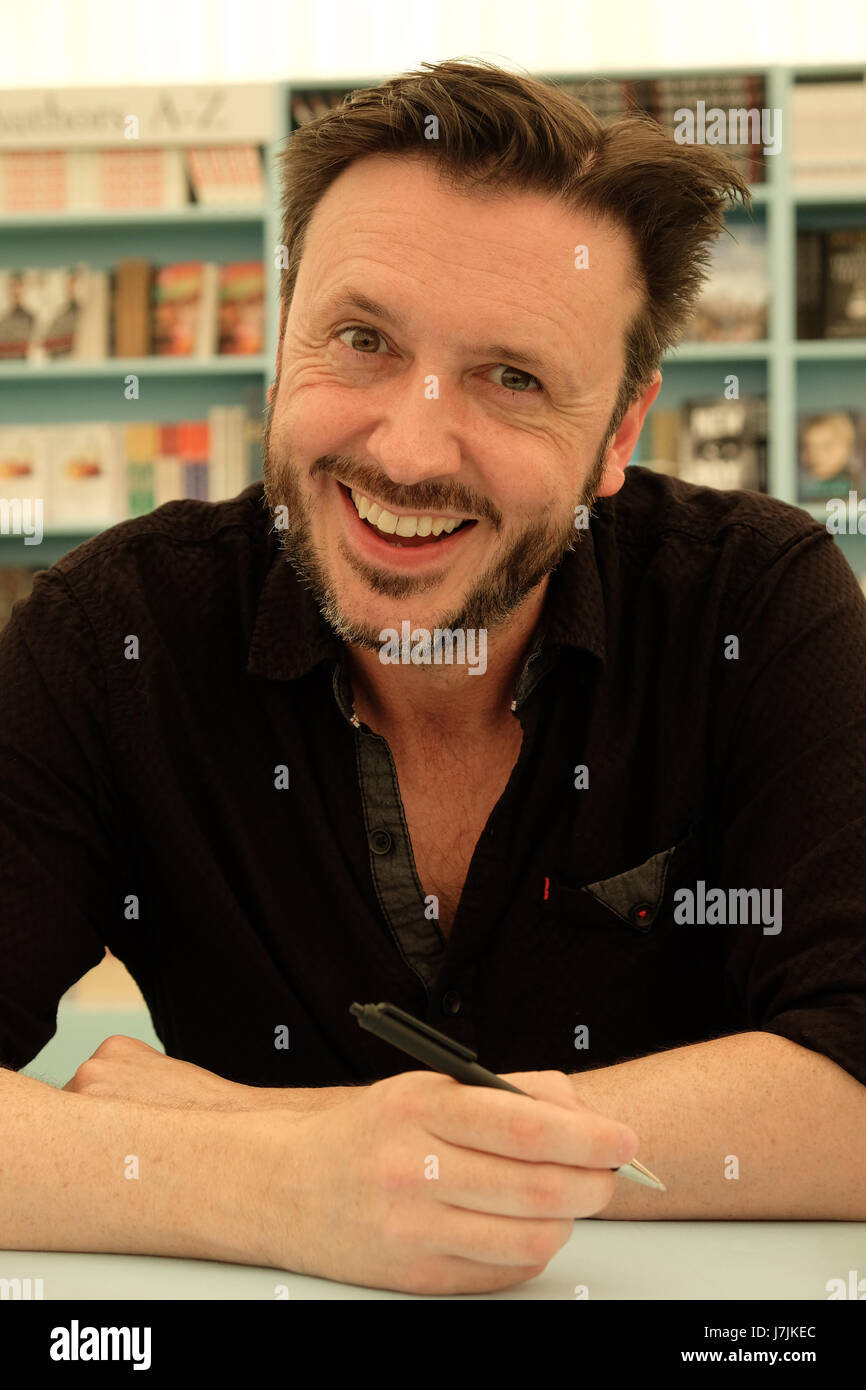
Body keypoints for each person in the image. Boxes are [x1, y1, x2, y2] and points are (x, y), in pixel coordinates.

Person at [1, 59, 865, 1297]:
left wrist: (282, 1130)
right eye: (360, 339)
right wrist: (270, 1182)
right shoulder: (108, 635)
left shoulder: (754, 603)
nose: (406, 451)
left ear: (616, 433)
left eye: (511, 379)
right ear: (281, 339)